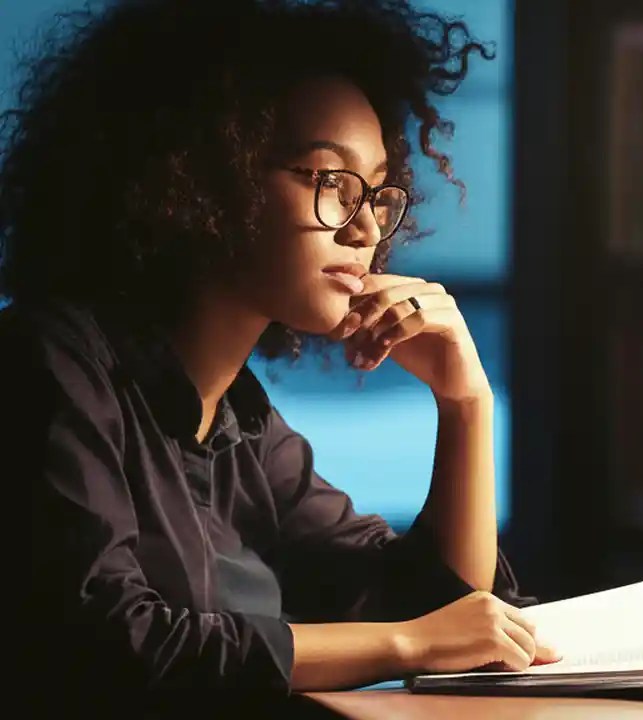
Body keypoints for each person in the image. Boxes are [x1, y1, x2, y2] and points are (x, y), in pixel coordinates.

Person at [0, 0, 555, 714]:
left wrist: (465, 403)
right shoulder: (48, 367)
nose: (365, 230)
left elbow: (444, 607)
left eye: (379, 194)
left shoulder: (244, 427)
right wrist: (405, 646)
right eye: (330, 181)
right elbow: (111, 644)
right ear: (205, 175)